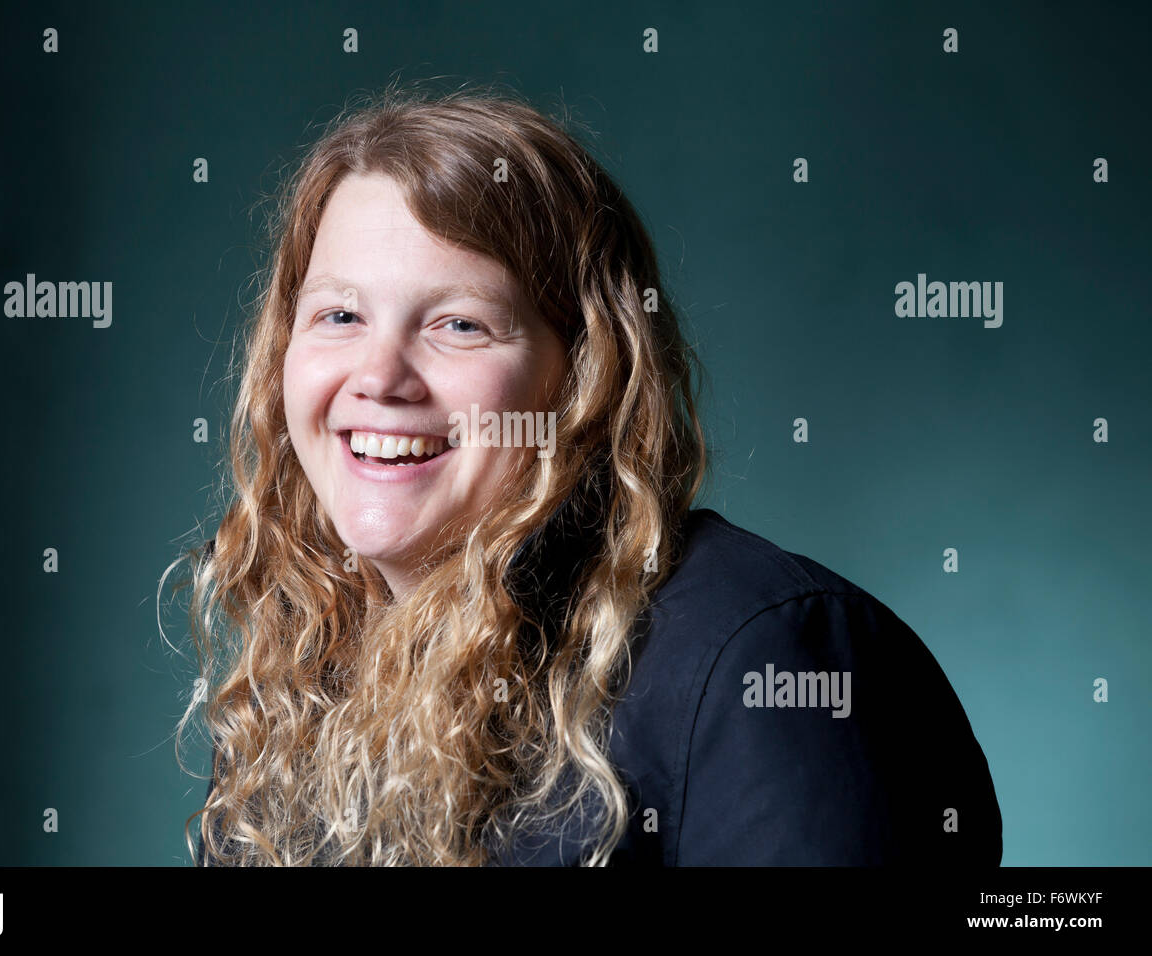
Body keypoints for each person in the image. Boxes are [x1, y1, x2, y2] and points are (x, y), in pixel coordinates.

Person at [168, 82, 1002, 866]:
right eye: (340, 315)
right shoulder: (297, 694)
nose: (380, 377)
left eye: (460, 324)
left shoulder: (761, 661)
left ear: (584, 376)